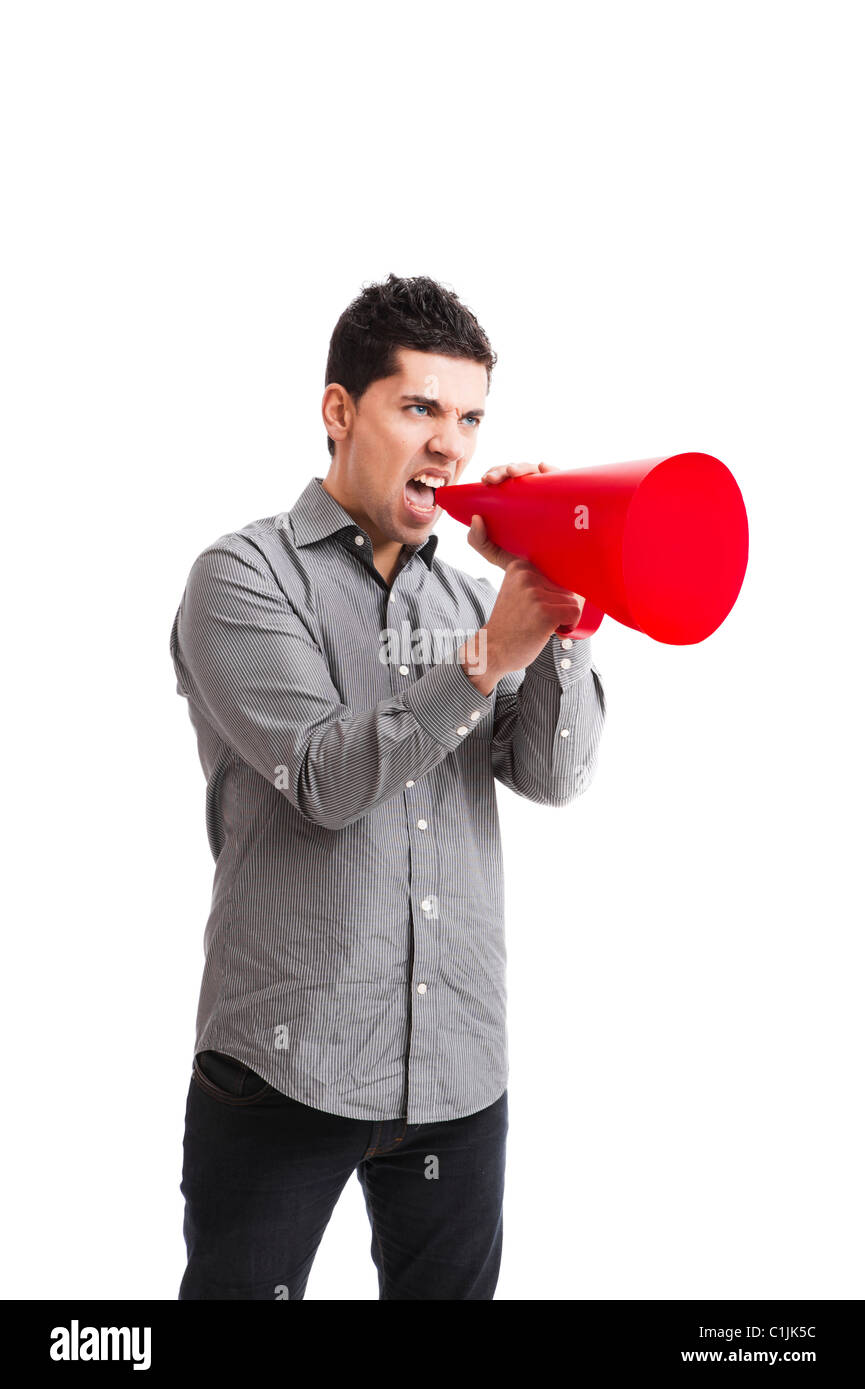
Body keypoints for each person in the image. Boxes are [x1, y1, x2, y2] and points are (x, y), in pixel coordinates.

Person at [169, 273, 607, 1300]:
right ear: (337, 411)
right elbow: (323, 777)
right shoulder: (242, 578)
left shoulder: (470, 596)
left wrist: (559, 619)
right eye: (419, 408)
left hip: (456, 1068)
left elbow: (553, 772)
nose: (449, 446)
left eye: (467, 418)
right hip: (287, 1068)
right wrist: (480, 658)